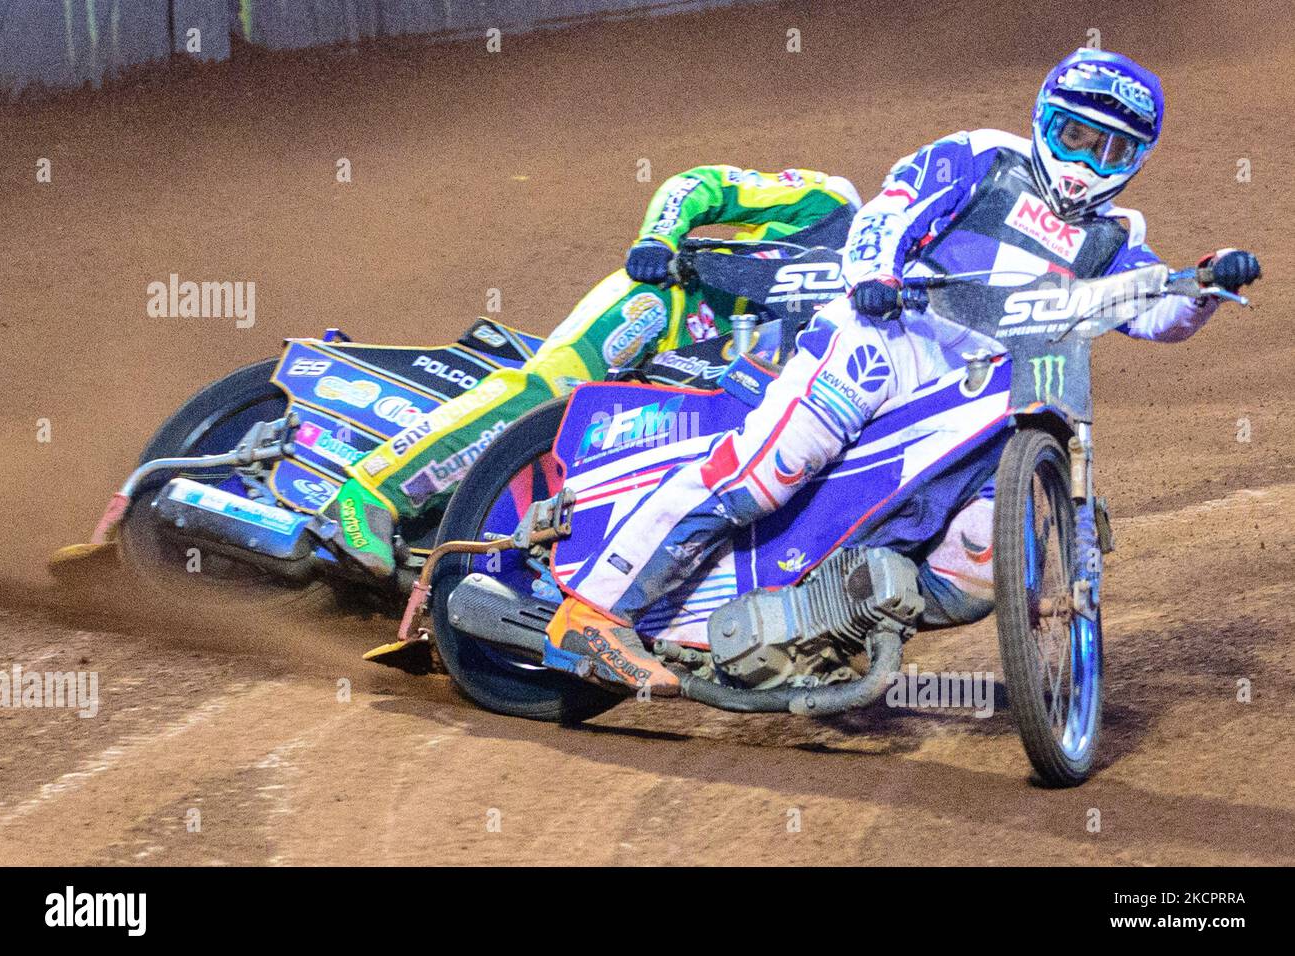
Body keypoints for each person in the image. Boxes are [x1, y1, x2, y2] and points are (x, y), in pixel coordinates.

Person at [542, 48, 1262, 695]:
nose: (1088, 160)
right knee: (764, 473)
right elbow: (888, 213)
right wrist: (874, 275)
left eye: (1113, 149)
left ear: (1137, 158)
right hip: (887, 339)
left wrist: (1203, 287)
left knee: (984, 559)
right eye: (1077, 136)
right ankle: (595, 611)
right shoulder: (979, 158)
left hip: (990, 393)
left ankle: (830, 622)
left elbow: (1155, 312)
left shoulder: (1117, 237)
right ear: (1047, 120)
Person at [323, 165, 862, 578]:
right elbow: (699, 184)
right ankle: (372, 493)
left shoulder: (901, 312)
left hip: (708, 391)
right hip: (663, 305)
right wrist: (659, 238)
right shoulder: (833, 204)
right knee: (550, 392)